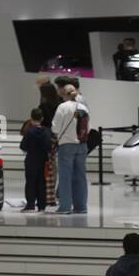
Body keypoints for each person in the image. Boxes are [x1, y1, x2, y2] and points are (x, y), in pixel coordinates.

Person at [50, 83, 89, 214]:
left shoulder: (63, 107)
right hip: (82, 145)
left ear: (64, 94)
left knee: (65, 177)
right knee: (80, 177)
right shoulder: (84, 107)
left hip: (66, 145)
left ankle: (65, 207)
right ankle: (81, 206)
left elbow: (55, 127)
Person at [32, 77, 61, 206]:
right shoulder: (60, 104)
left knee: (45, 167)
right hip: (58, 136)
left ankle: (46, 196)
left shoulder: (43, 106)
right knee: (53, 167)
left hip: (46, 137)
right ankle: (52, 195)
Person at [19, 107, 51, 212]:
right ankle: (42, 205)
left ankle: (30, 204)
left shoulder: (29, 132)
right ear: (42, 118)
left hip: (31, 160)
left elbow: (23, 146)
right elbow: (49, 147)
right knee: (42, 181)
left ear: (31, 118)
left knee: (30, 182)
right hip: (43, 160)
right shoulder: (47, 132)